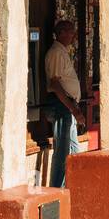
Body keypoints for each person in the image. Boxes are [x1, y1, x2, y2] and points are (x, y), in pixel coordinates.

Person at [45, 20, 84, 188]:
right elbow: (55, 84)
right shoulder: (56, 53)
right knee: (61, 151)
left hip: (68, 106)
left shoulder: (62, 52)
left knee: (73, 149)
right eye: (70, 32)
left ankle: (75, 186)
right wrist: (73, 109)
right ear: (60, 33)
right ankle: (56, 190)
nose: (73, 35)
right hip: (62, 106)